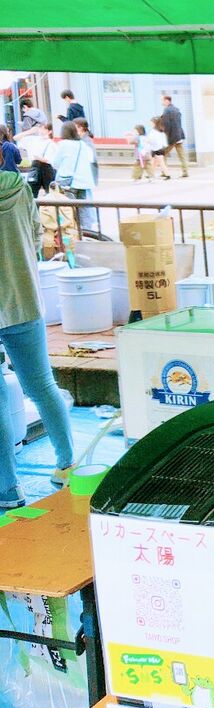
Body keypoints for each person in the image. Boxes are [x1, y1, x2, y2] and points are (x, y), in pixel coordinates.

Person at [0, 169, 76, 509]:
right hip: (25, 299)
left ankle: (9, 489)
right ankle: (67, 464)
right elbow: (35, 238)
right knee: (43, 385)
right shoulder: (17, 187)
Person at [50, 122, 98, 232]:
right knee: (83, 208)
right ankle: (86, 232)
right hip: (84, 182)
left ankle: (70, 231)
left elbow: (55, 163)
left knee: (67, 209)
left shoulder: (63, 144)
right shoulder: (83, 145)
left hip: (67, 182)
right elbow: (90, 159)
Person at [17, 123, 56, 194]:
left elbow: (50, 160)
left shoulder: (51, 143)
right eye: (40, 128)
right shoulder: (33, 139)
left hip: (47, 169)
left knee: (50, 192)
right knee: (32, 192)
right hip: (35, 167)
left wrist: (38, 158)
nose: (41, 130)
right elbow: (16, 138)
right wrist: (30, 131)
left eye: (44, 129)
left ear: (50, 131)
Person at [159, 94, 189, 177]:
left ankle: (164, 172)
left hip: (172, 137)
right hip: (179, 136)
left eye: (162, 100)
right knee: (182, 155)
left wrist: (165, 137)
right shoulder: (177, 109)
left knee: (162, 154)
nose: (161, 102)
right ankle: (185, 172)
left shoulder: (166, 110)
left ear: (167, 101)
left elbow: (167, 125)